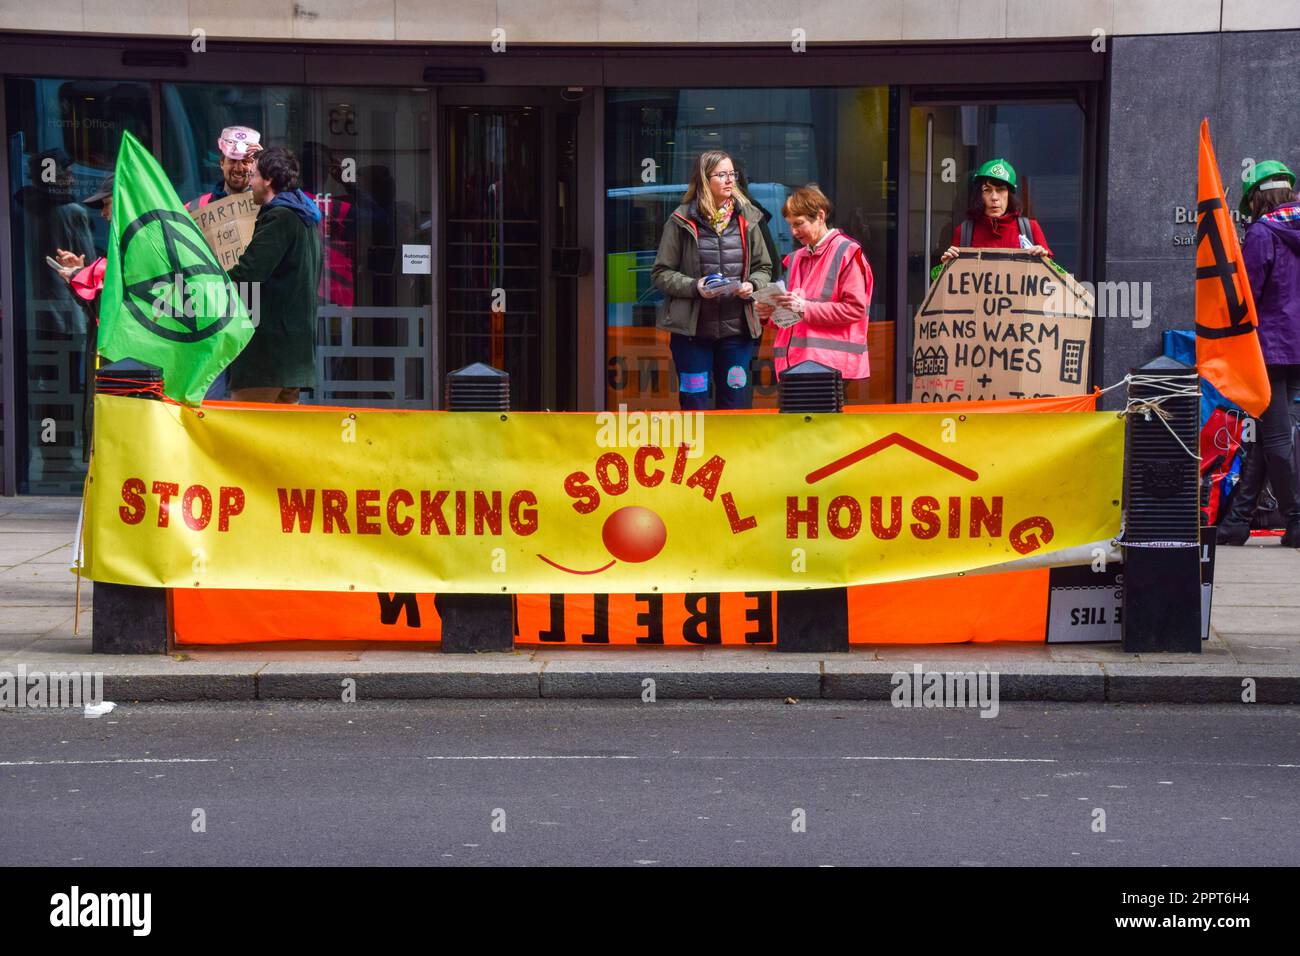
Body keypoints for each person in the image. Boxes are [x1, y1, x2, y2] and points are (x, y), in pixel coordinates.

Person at [1216, 160, 1300, 547]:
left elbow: (1245, 294)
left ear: (1257, 197)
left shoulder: (1263, 233)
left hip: (1271, 348)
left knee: (1278, 436)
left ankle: (1296, 518)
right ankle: (1237, 522)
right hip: (1296, 347)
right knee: (1271, 435)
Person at [651, 150, 772, 410]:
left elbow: (764, 267)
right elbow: (661, 273)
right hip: (692, 335)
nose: (730, 180)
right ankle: (697, 452)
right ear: (705, 180)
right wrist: (696, 287)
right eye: (722, 175)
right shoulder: (681, 220)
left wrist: (753, 284)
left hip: (737, 333)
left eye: (733, 174)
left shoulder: (748, 218)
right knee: (695, 405)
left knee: (736, 404)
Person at [225, 147, 323, 404]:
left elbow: (247, 274)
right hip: (293, 356)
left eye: (255, 175)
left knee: (246, 435)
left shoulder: (280, 217)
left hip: (266, 357)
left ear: (268, 180)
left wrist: (208, 278)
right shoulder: (305, 216)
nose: (250, 181)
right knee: (280, 439)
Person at [756, 185, 871, 381]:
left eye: (798, 224)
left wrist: (804, 308)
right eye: (790, 225)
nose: (793, 232)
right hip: (794, 364)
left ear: (820, 216)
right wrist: (769, 315)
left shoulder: (847, 252)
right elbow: (793, 316)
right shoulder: (794, 258)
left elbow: (855, 309)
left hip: (830, 366)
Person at [51, 175, 112, 461]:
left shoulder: (136, 245)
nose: (103, 213)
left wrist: (80, 277)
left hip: (121, 361)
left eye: (107, 205)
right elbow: (97, 306)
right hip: (104, 354)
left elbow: (120, 305)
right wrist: (79, 276)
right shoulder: (120, 244)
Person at [941, 158, 1051, 262]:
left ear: (1009, 195)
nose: (994, 197)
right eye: (987, 190)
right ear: (979, 195)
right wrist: (946, 265)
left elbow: (1051, 277)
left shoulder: (1030, 228)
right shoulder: (964, 232)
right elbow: (949, 279)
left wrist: (1044, 260)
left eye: (1001, 190)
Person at [185, 126, 262, 211]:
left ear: (255, 166)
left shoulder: (266, 206)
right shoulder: (194, 208)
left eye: (245, 162)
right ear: (222, 162)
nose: (238, 169)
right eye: (233, 160)